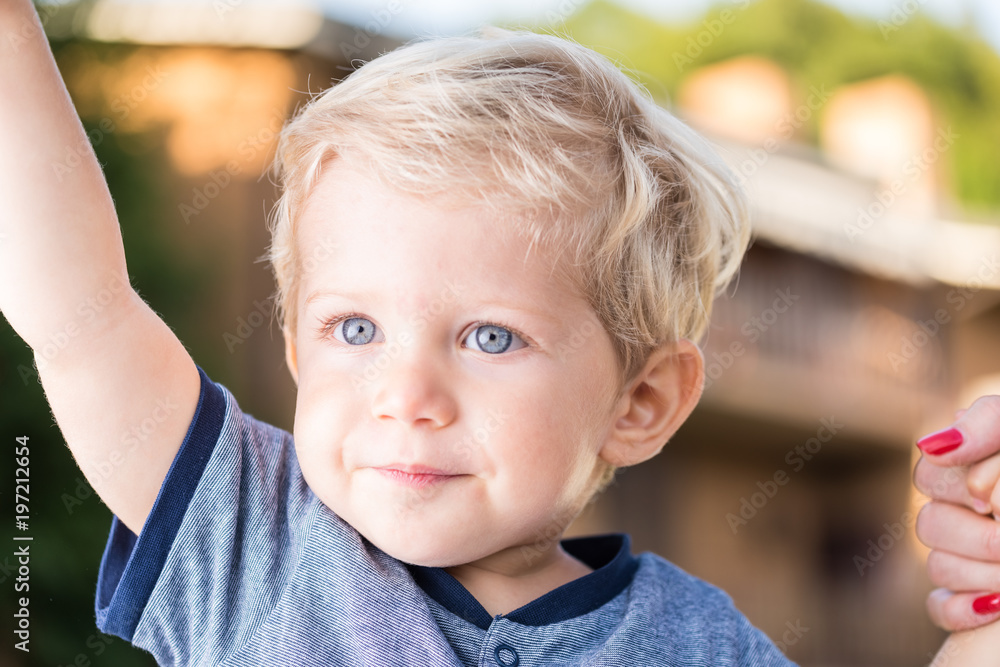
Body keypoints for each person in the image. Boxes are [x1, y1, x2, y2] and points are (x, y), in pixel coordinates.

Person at [1, 0, 998, 664]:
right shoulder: (255, 537)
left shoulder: (695, 641)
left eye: (488, 338)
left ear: (640, 401)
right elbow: (79, 308)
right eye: (355, 327)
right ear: (298, 353)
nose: (406, 395)